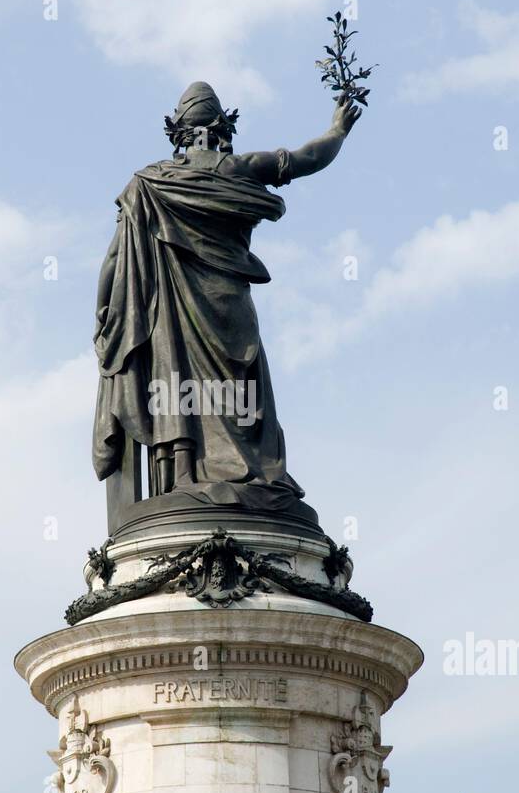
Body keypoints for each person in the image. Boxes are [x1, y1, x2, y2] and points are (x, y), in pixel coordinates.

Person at [92, 83, 361, 512]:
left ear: (177, 132)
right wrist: (338, 130)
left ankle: (181, 475)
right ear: (222, 128)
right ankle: (253, 471)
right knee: (241, 392)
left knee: (175, 381)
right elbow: (307, 159)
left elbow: (113, 259)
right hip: (230, 307)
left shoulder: (148, 186)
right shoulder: (238, 169)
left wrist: (106, 315)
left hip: (172, 316)